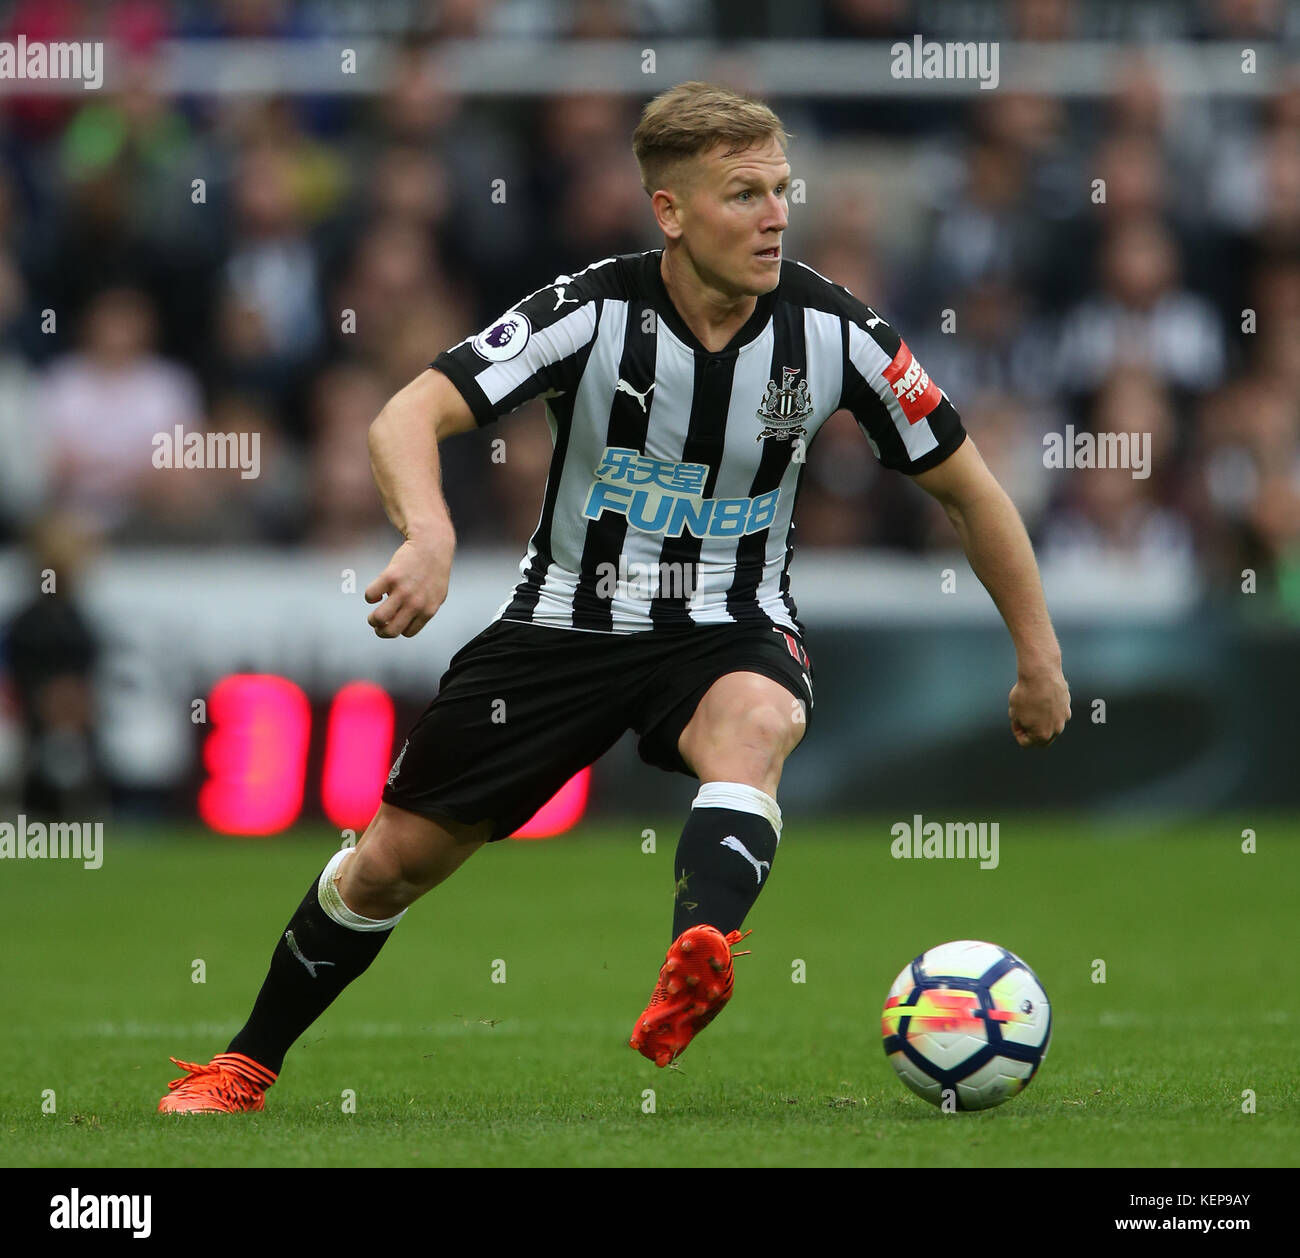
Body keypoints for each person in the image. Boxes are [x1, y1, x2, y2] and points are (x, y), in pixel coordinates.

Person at [159, 81, 1071, 1114]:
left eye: (781, 189)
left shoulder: (838, 332)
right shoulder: (589, 310)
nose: (774, 215)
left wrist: (1037, 655)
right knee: (389, 865)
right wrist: (430, 530)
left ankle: (703, 941)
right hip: (565, 624)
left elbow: (968, 488)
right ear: (670, 212)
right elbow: (405, 414)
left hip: (730, 621)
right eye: (742, 194)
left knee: (759, 718)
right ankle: (246, 1062)